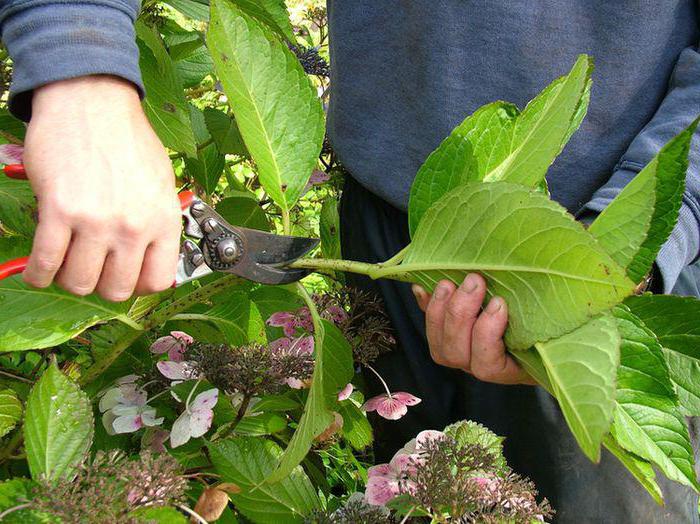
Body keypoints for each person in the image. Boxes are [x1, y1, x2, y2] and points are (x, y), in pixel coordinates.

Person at [0, 1, 698, 521]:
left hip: (606, 261)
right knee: (404, 491)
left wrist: (616, 259)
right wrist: (79, 61)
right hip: (384, 222)